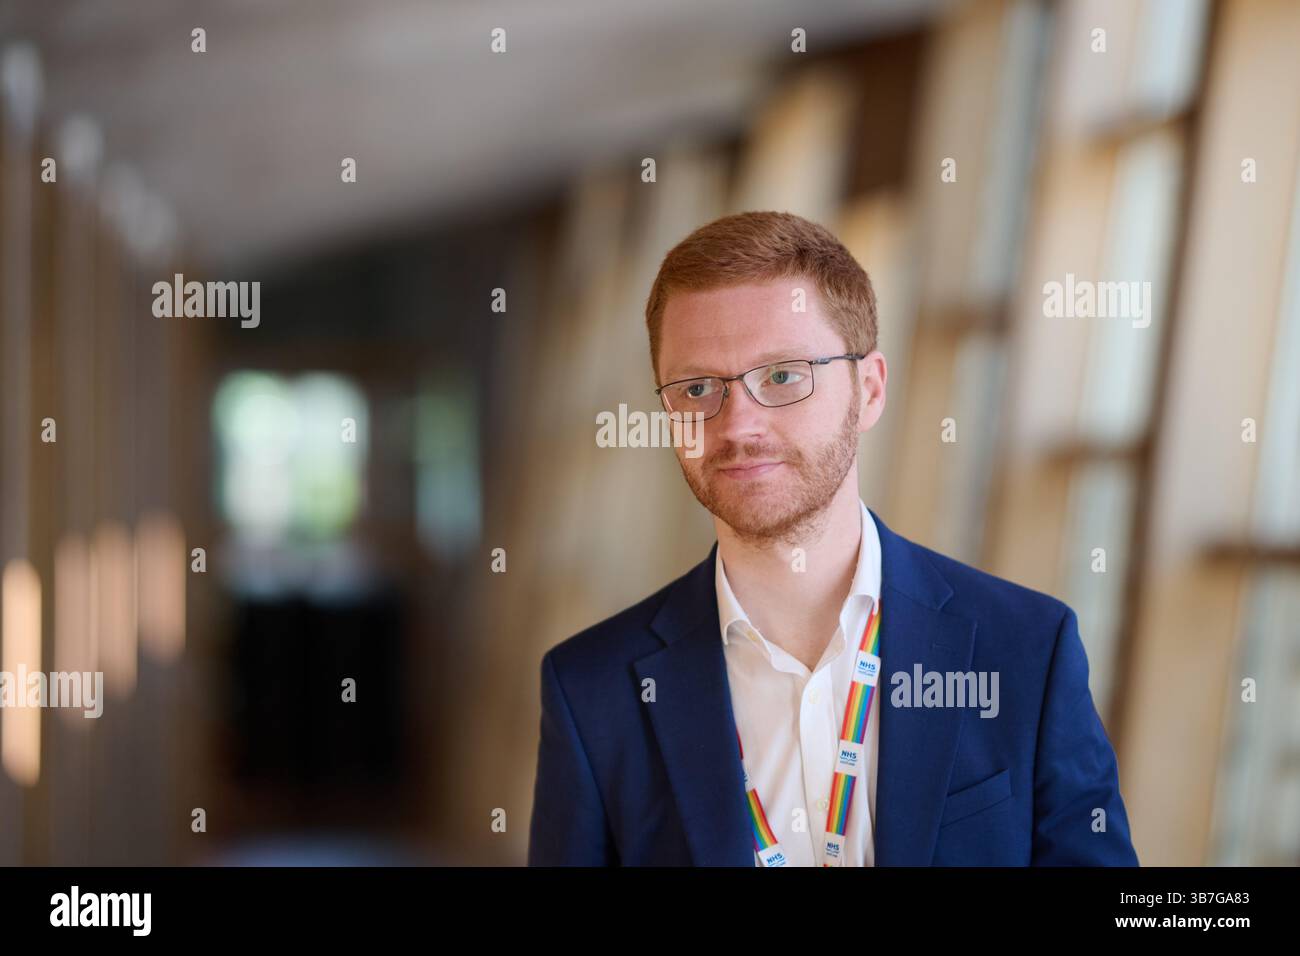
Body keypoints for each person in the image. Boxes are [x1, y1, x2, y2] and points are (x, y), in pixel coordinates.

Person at [527, 210, 1139, 867]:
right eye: (698, 388)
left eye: (784, 376)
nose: (739, 425)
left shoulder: (1024, 651)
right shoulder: (593, 690)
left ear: (869, 390)